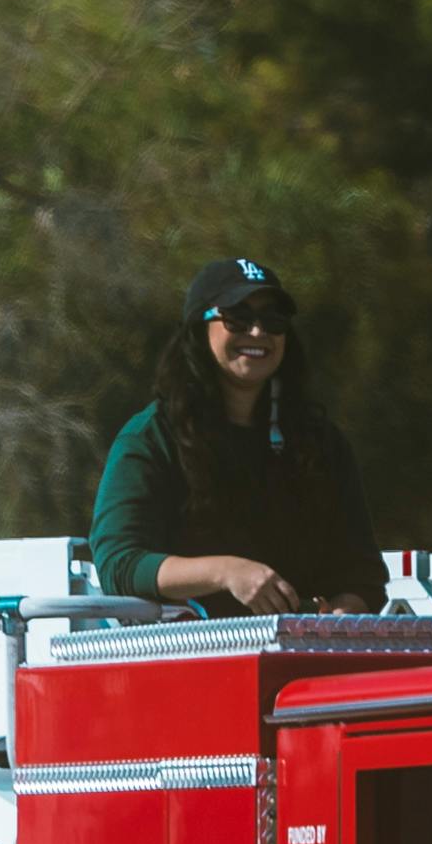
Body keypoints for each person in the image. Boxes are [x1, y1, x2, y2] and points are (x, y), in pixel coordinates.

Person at [85, 257, 385, 616]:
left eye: (273, 320)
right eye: (238, 318)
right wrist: (227, 572)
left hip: (303, 658)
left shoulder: (320, 442)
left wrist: (340, 617)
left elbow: (362, 573)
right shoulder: (151, 439)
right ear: (199, 329)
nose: (257, 332)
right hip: (189, 659)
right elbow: (120, 563)